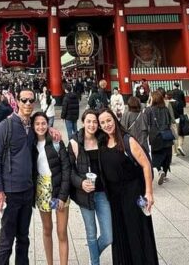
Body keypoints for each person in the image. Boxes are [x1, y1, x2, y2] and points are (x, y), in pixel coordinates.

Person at [97, 109, 158, 264]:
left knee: (137, 232)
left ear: (115, 119)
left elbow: (146, 165)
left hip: (133, 194)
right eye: (102, 122)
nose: (106, 125)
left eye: (109, 120)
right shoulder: (102, 142)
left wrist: (149, 192)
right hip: (114, 197)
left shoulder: (127, 140)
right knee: (120, 235)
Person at [0, 88, 38, 265]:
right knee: (6, 240)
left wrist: (51, 129)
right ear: (17, 102)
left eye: (31, 100)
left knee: (24, 237)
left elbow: (43, 127)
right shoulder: (6, 126)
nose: (28, 103)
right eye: (24, 100)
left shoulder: (32, 127)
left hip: (28, 190)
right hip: (10, 191)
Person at [68, 109, 112, 265]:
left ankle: (93, 255)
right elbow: (69, 170)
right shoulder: (75, 142)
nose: (92, 125)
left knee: (108, 236)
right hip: (84, 194)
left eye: (95, 122)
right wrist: (81, 183)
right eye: (89, 121)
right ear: (83, 122)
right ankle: (94, 262)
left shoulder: (103, 139)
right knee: (91, 233)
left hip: (102, 193)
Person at [30, 112, 71, 265]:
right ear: (32, 126)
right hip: (42, 188)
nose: (41, 127)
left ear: (48, 124)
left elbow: (66, 168)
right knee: (47, 229)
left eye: (43, 123)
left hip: (59, 186)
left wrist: (62, 196)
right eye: (37, 124)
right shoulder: (30, 143)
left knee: (62, 232)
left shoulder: (56, 141)